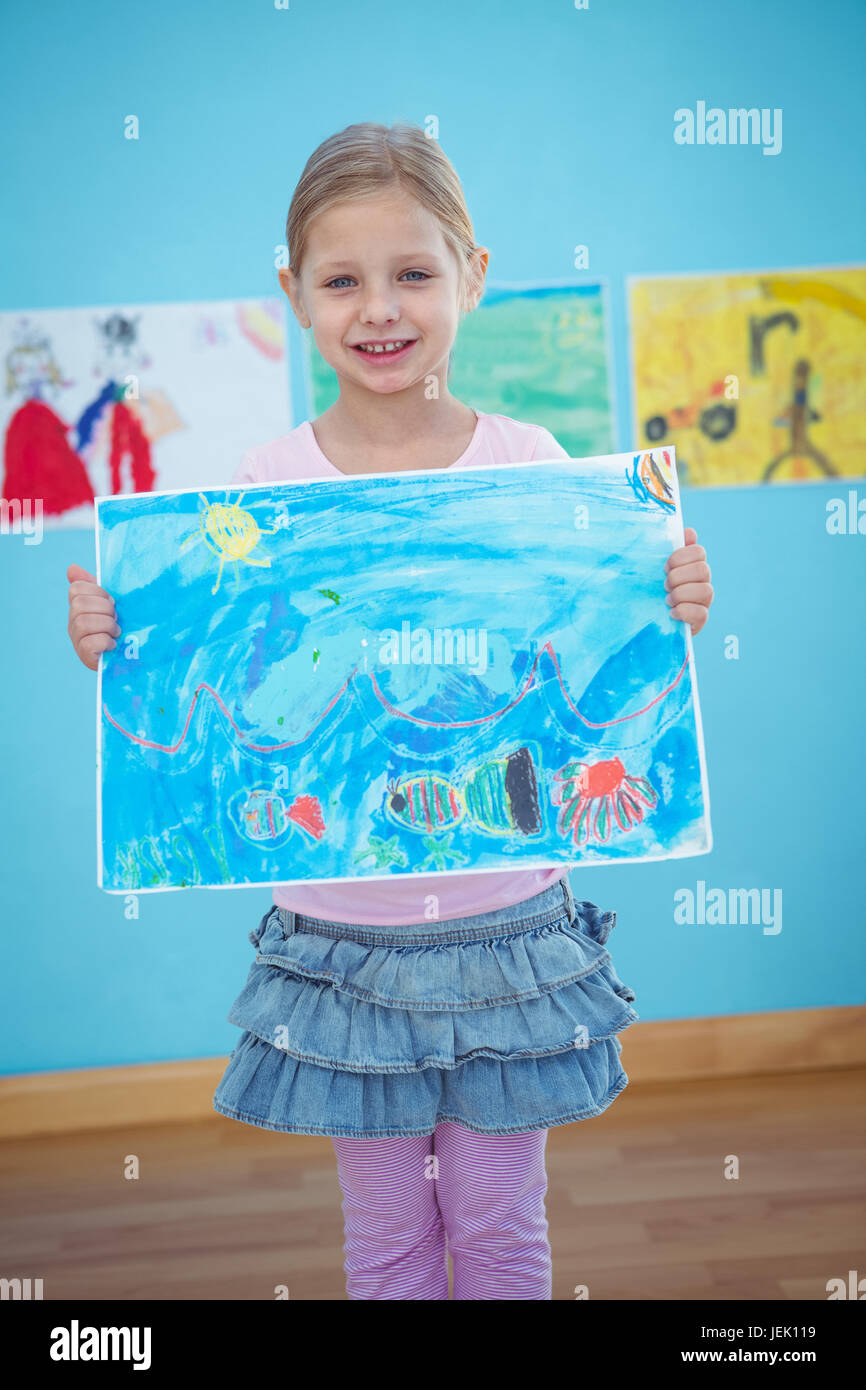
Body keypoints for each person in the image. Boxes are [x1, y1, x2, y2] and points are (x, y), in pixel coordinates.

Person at [67, 121, 714, 1300]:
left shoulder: (536, 466)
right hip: (341, 947)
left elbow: (597, 675)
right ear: (294, 294)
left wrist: (664, 600)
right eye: (342, 279)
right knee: (386, 1242)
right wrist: (118, 645)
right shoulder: (256, 494)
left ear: (470, 273)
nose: (381, 308)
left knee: (500, 1225)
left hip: (509, 930)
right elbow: (218, 681)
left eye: (413, 272)